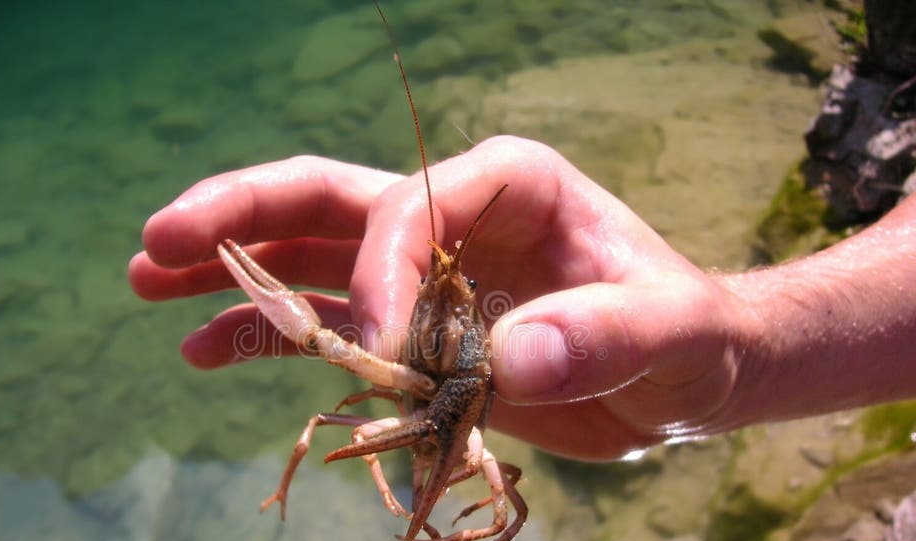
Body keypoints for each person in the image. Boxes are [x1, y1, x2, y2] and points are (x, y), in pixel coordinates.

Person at [128, 136, 916, 460]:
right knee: (323, 398)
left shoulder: (495, 348)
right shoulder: (433, 318)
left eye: (460, 285)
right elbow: (342, 350)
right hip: (427, 404)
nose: (447, 288)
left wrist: (741, 348)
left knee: (498, 494)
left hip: (463, 416)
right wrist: (745, 353)